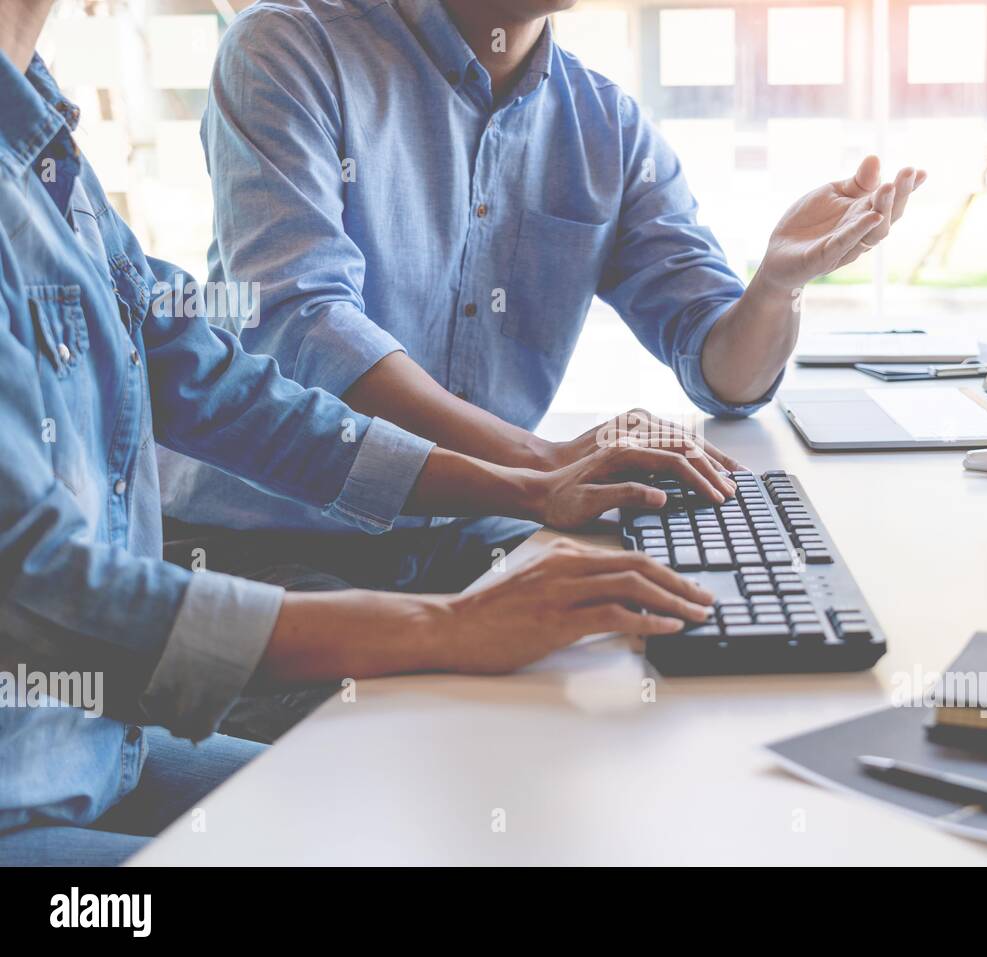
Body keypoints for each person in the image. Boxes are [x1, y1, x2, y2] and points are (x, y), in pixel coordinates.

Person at [0, 0, 720, 866]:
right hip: (22, 789)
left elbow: (224, 389)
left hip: (98, 748)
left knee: (409, 815)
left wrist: (527, 484)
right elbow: (37, 592)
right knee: (414, 799)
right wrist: (442, 626)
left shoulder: (41, 145)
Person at [159, 0, 925, 595]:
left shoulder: (604, 126)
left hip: (468, 530)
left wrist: (774, 288)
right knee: (426, 747)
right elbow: (309, 326)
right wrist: (542, 466)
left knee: (653, 659)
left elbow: (726, 372)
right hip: (271, 545)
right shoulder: (289, 48)